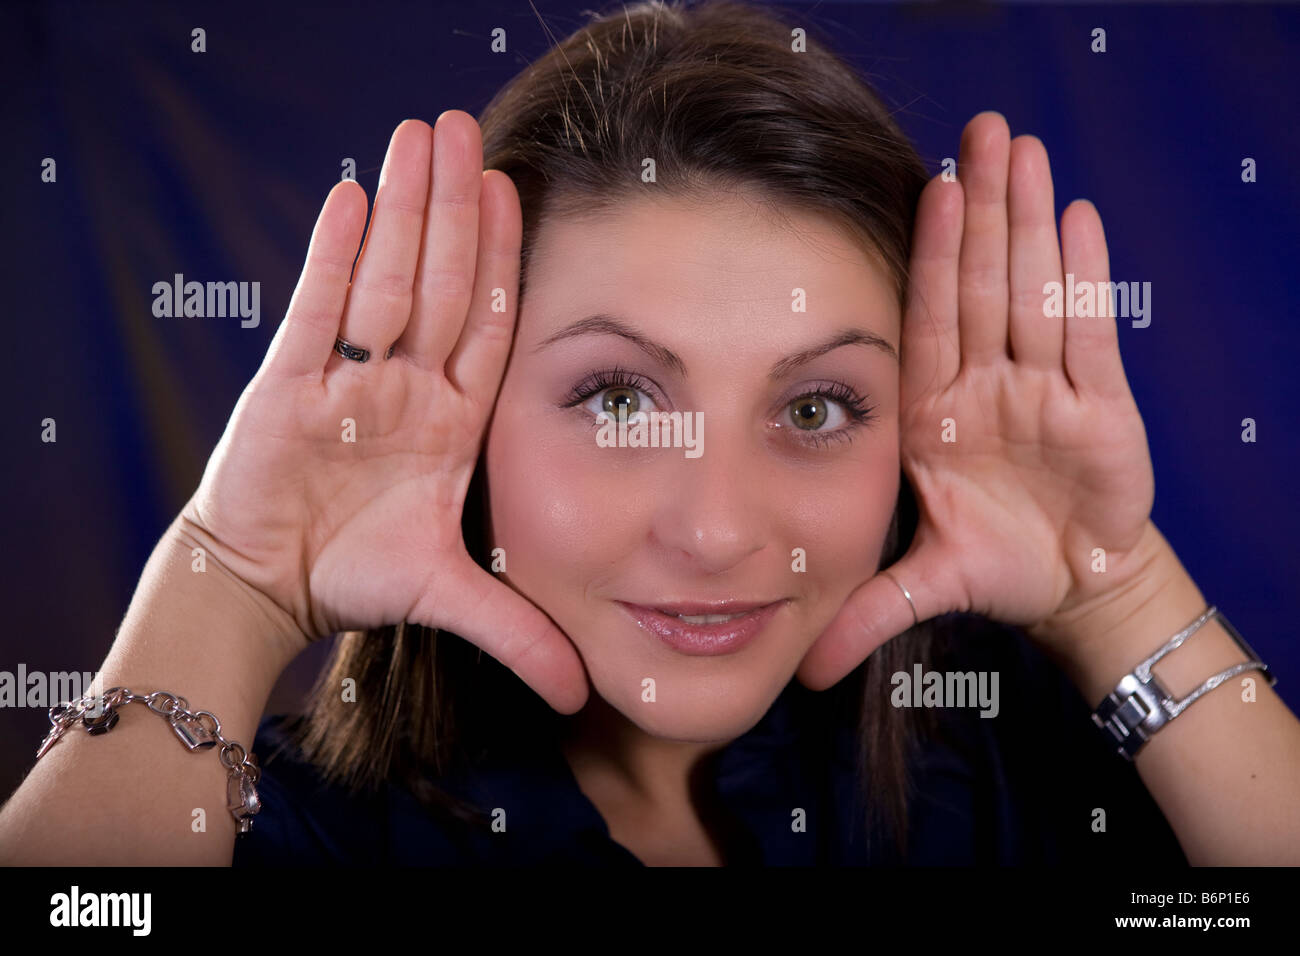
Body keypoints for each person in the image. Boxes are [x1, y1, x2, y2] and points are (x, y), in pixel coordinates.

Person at [2, 0, 1297, 867]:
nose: (719, 527)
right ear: (468, 414)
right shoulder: (295, 841)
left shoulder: (1012, 771)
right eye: (618, 399)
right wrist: (230, 575)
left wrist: (1116, 594)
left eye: (814, 407)